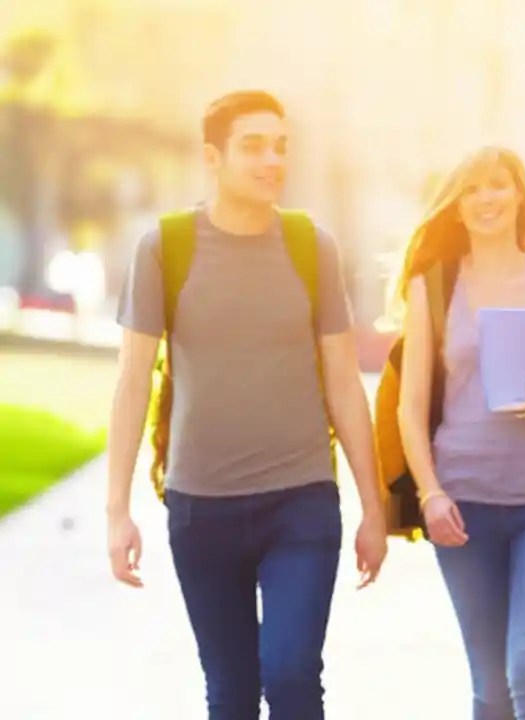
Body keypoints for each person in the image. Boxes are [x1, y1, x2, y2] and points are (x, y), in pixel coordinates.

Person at [105, 90, 387, 719]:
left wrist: (374, 507)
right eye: (253, 146)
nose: (272, 160)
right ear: (213, 156)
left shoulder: (312, 245)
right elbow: (132, 383)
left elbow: (344, 381)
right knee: (230, 695)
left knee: (290, 676)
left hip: (301, 499)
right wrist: (116, 511)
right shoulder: (165, 247)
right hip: (201, 508)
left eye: (281, 146)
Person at [392, 146, 525, 720]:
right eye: (471, 189)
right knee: (492, 687)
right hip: (463, 506)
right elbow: (411, 404)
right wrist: (431, 494)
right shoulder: (435, 283)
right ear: (456, 206)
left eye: (497, 185)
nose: (485, 199)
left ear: (521, 194)